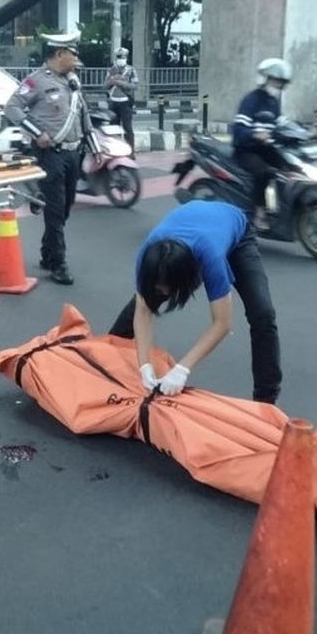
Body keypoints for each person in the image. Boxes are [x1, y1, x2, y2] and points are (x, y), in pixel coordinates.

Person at [109, 200, 282, 404]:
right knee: (145, 300)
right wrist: (144, 365)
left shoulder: (211, 258)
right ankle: (107, 359)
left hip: (238, 234)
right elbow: (144, 310)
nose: (163, 293)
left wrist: (182, 369)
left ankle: (266, 401)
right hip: (195, 231)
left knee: (263, 314)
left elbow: (222, 323)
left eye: (167, 288)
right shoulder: (148, 256)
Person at [4, 31, 92, 285]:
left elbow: (82, 111)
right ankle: (58, 263)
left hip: (73, 152)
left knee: (65, 206)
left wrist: (93, 143)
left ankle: (47, 252)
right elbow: (12, 107)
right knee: (55, 207)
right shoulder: (36, 81)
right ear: (59, 54)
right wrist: (37, 132)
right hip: (50, 153)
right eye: (72, 54)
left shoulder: (73, 81)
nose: (75, 59)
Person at [232, 57, 290, 229]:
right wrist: (256, 134)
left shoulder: (273, 103)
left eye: (281, 82)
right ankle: (259, 213)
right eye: (276, 81)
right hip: (246, 150)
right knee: (264, 173)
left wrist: (305, 132)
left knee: (289, 167)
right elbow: (239, 130)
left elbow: (282, 124)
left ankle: (280, 207)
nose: (279, 85)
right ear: (265, 79)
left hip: (265, 148)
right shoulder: (251, 100)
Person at [104, 47, 138, 156]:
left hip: (125, 101)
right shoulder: (111, 70)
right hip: (113, 102)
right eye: (118, 57)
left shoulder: (131, 70)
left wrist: (121, 83)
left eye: (122, 57)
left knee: (127, 128)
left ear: (126, 58)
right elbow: (105, 85)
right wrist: (113, 80)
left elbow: (135, 85)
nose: (120, 59)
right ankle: (115, 151)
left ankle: (130, 152)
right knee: (113, 128)